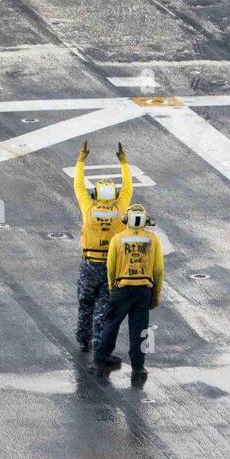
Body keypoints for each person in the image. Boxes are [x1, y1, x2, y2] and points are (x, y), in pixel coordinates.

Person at [91, 203, 164, 387]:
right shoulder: (153, 240)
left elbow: (111, 268)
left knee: (111, 325)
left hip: (121, 289)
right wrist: (155, 296)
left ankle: (100, 363)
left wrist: (112, 288)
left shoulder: (117, 239)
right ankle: (138, 369)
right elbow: (158, 271)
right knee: (139, 331)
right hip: (143, 291)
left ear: (126, 220)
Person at [74, 139, 133, 359]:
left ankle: (83, 339)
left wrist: (81, 160)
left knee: (85, 302)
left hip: (88, 263)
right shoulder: (119, 209)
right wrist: (124, 163)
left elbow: (78, 186)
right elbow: (128, 188)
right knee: (104, 308)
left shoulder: (88, 208)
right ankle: (100, 345)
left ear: (96, 195)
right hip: (110, 264)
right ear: (113, 194)